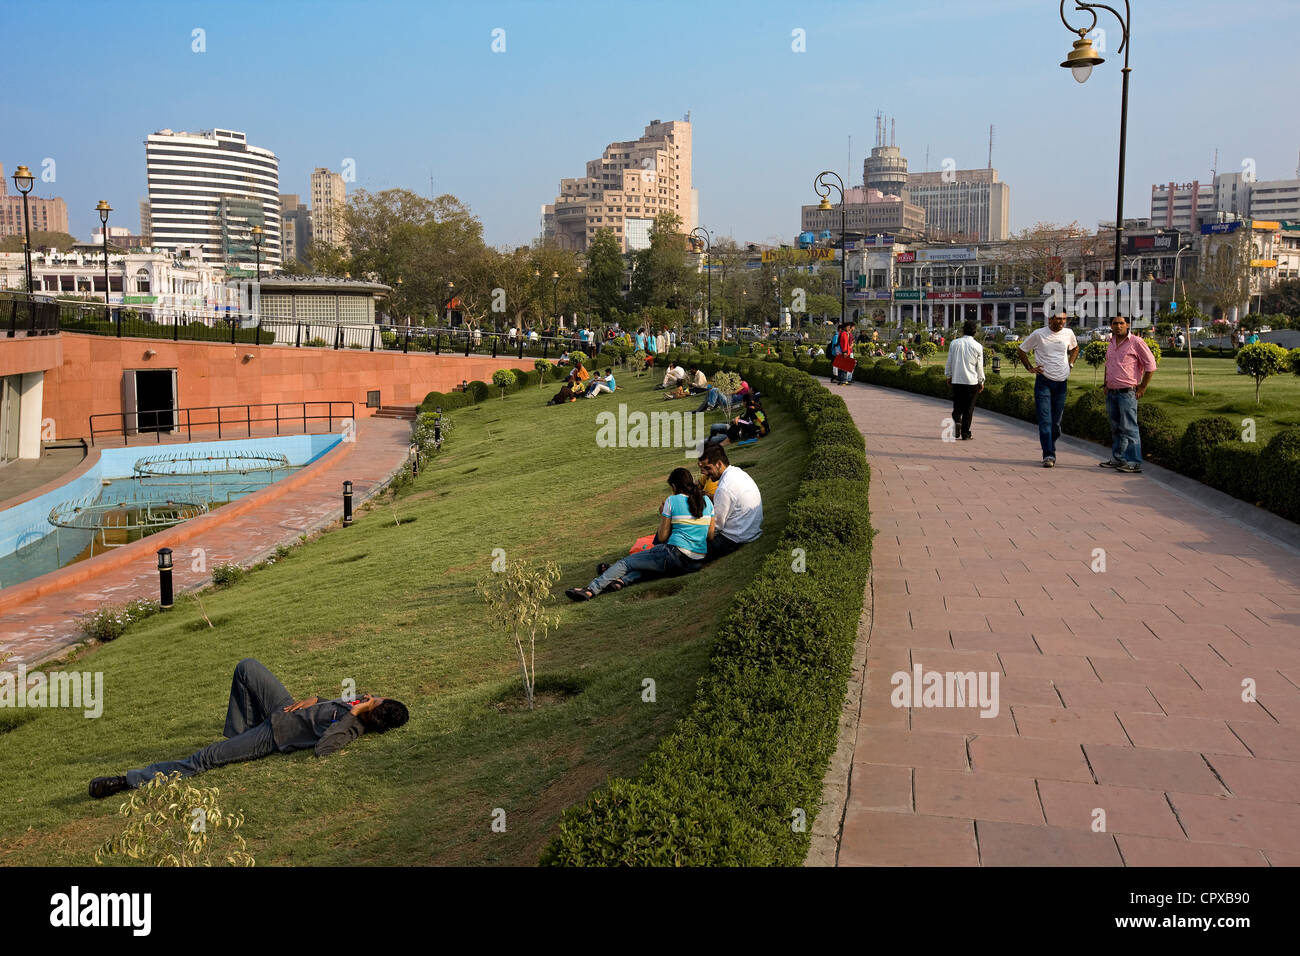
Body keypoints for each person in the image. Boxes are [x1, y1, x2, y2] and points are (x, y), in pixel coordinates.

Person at [89, 658, 409, 798]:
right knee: (247, 667)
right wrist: (316, 698)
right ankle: (241, 733)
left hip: (274, 734)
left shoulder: (351, 727)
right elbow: (327, 706)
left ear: (375, 715)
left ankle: (126, 781)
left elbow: (323, 748)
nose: (371, 696)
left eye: (375, 701)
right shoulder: (354, 708)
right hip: (282, 708)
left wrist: (355, 712)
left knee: (205, 757)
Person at [565, 468, 714, 600]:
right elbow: (710, 536)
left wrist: (663, 514)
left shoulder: (672, 501)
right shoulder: (707, 500)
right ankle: (621, 580)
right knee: (650, 563)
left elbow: (662, 538)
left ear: (674, 486)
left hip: (675, 556)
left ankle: (591, 589)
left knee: (627, 562)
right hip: (696, 562)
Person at [1018, 311, 1079, 467]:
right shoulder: (1039, 334)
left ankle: (1050, 444)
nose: (1061, 322)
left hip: (1061, 382)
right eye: (1058, 319)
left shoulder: (1068, 333)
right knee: (1045, 421)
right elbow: (1022, 350)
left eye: (1064, 319)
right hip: (1044, 382)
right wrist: (1029, 368)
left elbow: (1075, 348)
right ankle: (1049, 454)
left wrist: (1070, 364)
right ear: (1050, 319)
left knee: (1056, 424)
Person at [1100, 315, 1157, 474]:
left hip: (1127, 393)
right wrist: (1106, 383)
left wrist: (1142, 387)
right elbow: (1108, 363)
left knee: (1129, 428)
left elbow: (1150, 366)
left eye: (1121, 323)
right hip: (1112, 392)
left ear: (1127, 325)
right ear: (1111, 326)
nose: (1118, 326)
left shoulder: (1136, 342)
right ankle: (1119, 458)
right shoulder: (1111, 342)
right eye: (1115, 323)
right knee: (1116, 428)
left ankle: (1133, 461)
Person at [696, 444, 762, 560]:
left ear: (719, 464)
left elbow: (715, 528)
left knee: (686, 551)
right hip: (751, 530)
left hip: (735, 538)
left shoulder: (724, 488)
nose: (704, 473)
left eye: (707, 468)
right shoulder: (736, 472)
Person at [945, 319, 985, 442]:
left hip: (957, 380)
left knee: (957, 406)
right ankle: (965, 433)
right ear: (975, 332)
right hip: (971, 382)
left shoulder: (954, 343)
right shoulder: (978, 346)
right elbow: (979, 366)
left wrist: (948, 375)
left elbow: (949, 361)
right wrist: (981, 381)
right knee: (969, 409)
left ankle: (957, 420)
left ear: (963, 330)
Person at [705, 393, 769, 447]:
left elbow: (744, 421)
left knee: (735, 425)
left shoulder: (751, 409)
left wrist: (736, 421)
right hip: (758, 429)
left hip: (757, 431)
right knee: (717, 428)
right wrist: (737, 418)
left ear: (745, 402)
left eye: (742, 402)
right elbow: (744, 416)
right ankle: (725, 438)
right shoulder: (754, 406)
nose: (742, 403)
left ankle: (727, 440)